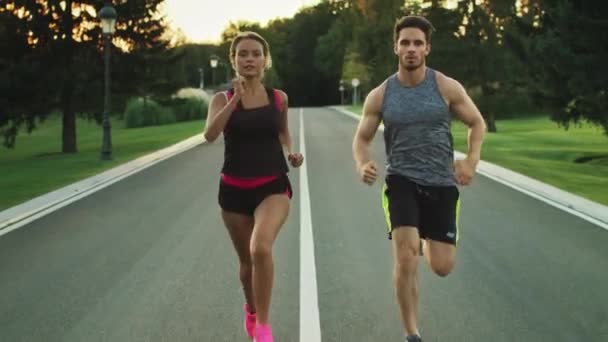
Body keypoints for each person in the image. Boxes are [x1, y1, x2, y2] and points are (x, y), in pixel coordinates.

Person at [352, 15, 486, 342]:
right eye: (405, 43)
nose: (411, 49)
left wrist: (471, 160)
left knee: (441, 266)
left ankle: (424, 238)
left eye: (417, 43)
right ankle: (411, 333)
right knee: (406, 254)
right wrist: (362, 163)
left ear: (427, 48)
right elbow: (361, 139)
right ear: (395, 47)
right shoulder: (380, 95)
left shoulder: (446, 87)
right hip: (401, 181)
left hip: (441, 183)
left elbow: (477, 123)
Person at [203, 31, 303, 342]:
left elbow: (283, 132)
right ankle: (251, 309)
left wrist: (291, 151)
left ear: (265, 60)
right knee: (247, 265)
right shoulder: (222, 99)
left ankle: (263, 325)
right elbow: (209, 135)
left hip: (272, 185)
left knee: (260, 248)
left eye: (255, 53)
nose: (249, 59)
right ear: (233, 61)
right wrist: (234, 102)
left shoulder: (278, 98)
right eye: (243, 54)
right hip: (233, 192)